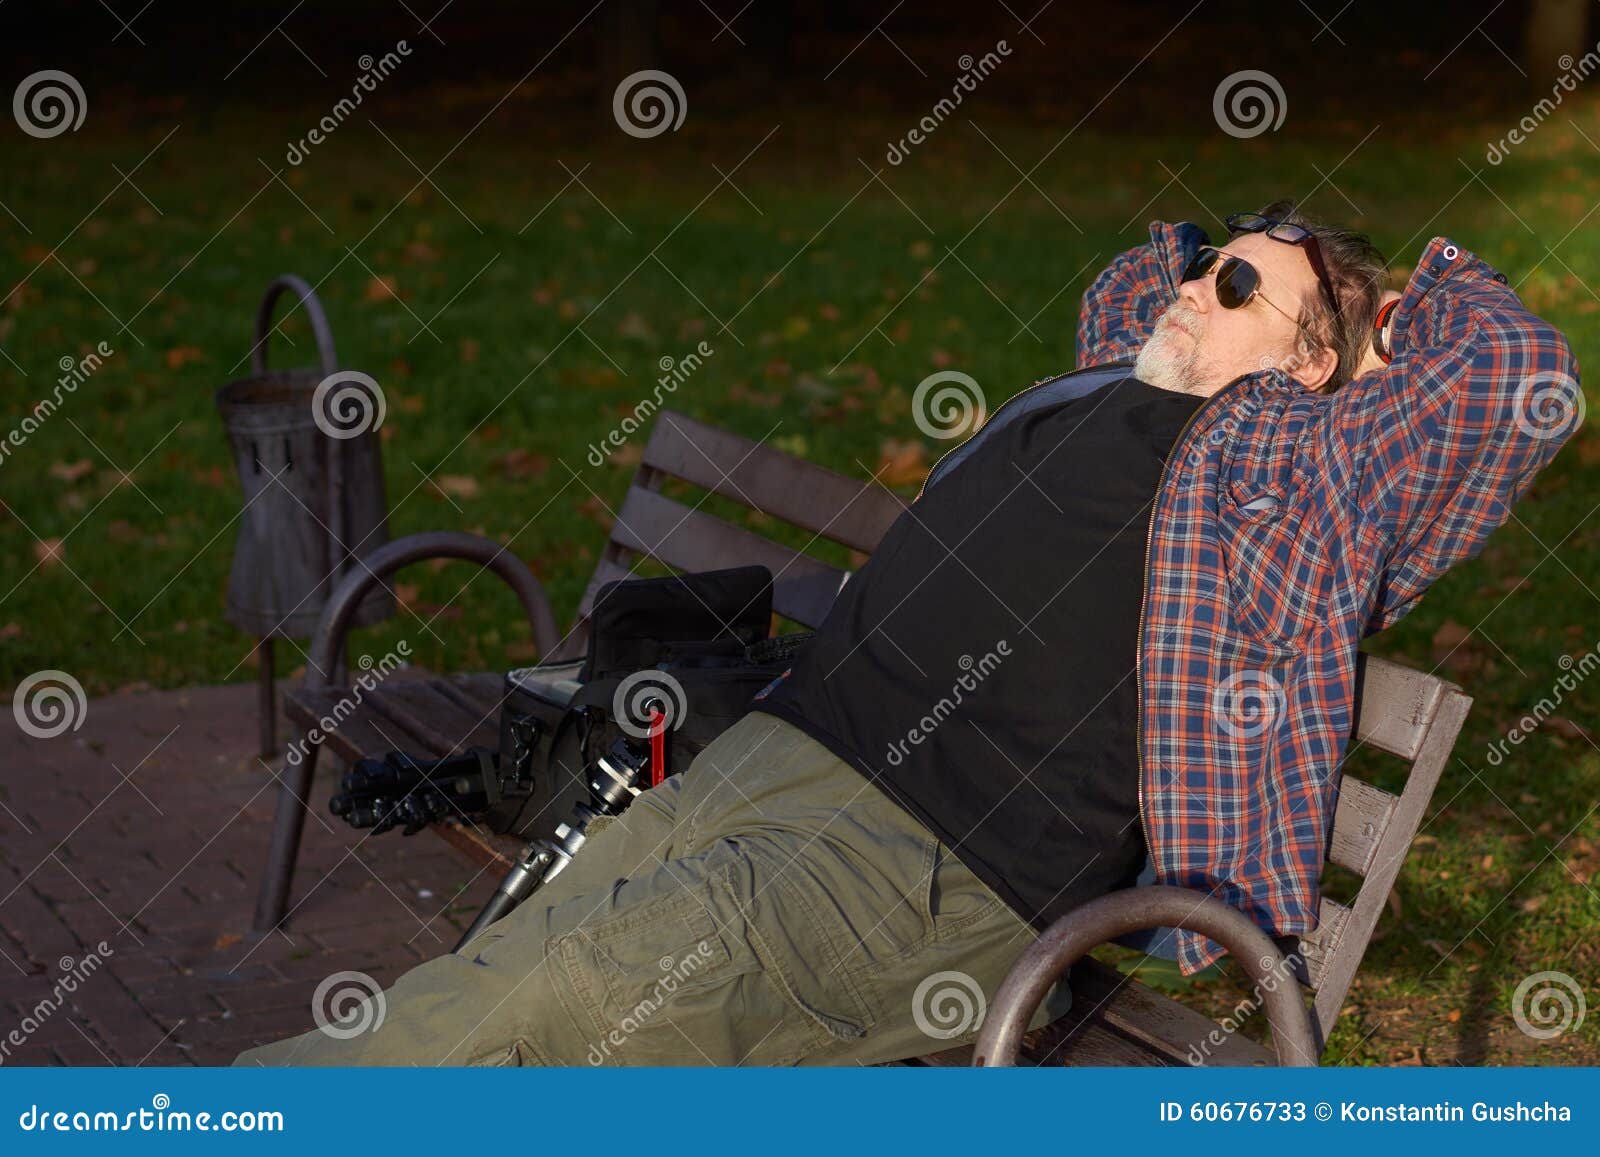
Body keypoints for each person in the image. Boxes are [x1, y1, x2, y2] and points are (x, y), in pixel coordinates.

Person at [237, 202, 1578, 1066]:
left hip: (929, 862)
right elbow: (1134, 262)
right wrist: (1232, 266)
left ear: (1314, 368)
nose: (1192, 282)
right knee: (516, 964)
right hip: (786, 755)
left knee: (572, 997)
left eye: (1236, 281)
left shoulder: (1286, 473)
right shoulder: (1110, 378)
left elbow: (1520, 381)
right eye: (1213, 257)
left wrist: (1392, 307)